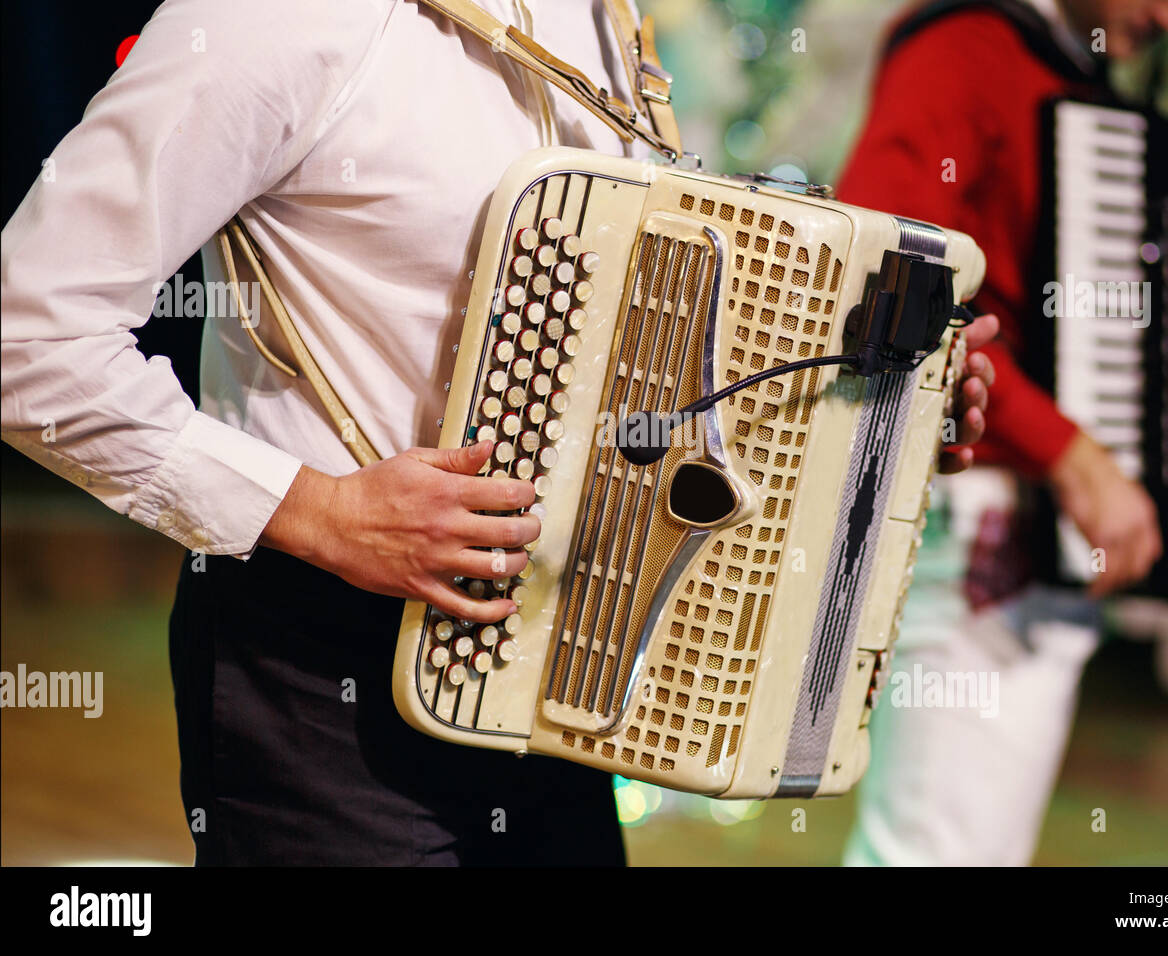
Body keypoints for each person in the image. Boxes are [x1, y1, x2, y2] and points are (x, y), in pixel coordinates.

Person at [2, 0, 995, 865]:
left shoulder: (602, 17)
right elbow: (27, 334)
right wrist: (318, 511)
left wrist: (886, 415)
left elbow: (660, 316)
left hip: (551, 666)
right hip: (323, 663)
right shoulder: (281, 12)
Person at [837, 0, 1168, 866]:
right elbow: (883, 262)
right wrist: (1068, 450)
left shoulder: (1065, 65)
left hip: (1023, 534)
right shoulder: (966, 44)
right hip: (974, 516)